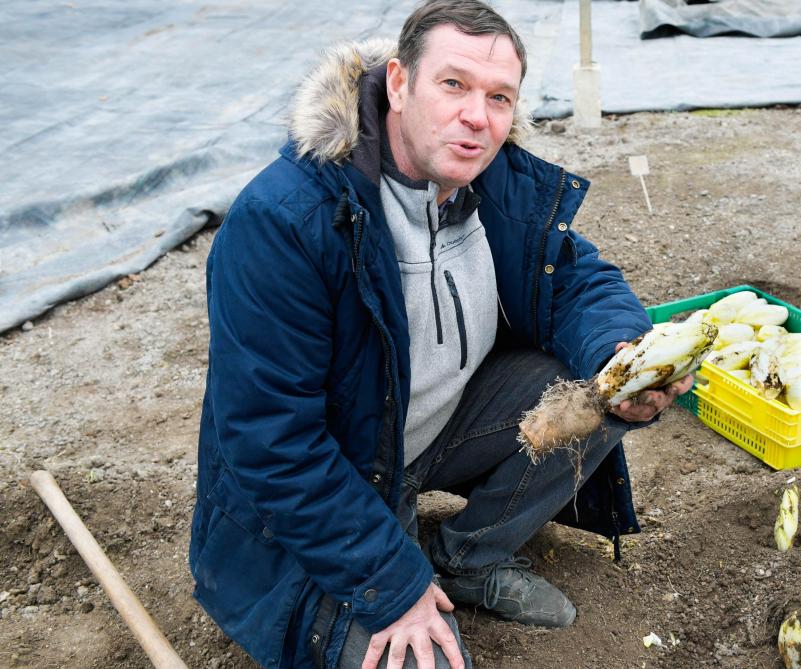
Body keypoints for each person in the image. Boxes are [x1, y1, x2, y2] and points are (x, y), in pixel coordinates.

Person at [188, 2, 692, 668]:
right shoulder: (288, 221)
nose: (476, 117)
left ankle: (464, 558)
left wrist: (624, 355)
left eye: (499, 97)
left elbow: (576, 281)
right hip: (335, 482)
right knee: (422, 661)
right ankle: (400, 566)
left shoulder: (491, 179)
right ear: (398, 83)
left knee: (598, 386)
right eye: (452, 85)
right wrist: (393, 586)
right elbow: (270, 445)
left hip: (429, 433)